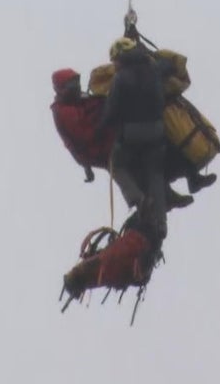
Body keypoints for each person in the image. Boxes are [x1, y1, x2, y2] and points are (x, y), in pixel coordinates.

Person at [51, 66, 194, 207]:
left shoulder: (76, 101)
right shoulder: (64, 112)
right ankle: (140, 201)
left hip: (107, 138)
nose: (76, 87)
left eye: (76, 83)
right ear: (62, 90)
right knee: (125, 162)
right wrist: (106, 120)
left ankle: (164, 195)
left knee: (145, 157)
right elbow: (84, 136)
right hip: (99, 146)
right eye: (72, 85)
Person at [94, 37, 171, 244]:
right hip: (157, 131)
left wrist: (99, 129)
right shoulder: (153, 68)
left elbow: (111, 113)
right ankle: (161, 223)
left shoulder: (120, 79)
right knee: (155, 174)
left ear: (119, 58)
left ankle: (138, 199)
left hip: (131, 134)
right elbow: (168, 65)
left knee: (117, 166)